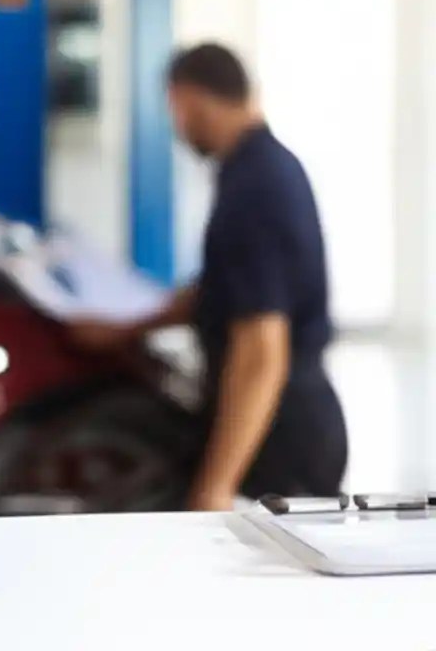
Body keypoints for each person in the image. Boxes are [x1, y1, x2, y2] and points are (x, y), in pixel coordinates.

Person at [70, 43, 347, 510]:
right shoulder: (255, 168)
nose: (178, 127)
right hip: (279, 422)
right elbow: (222, 292)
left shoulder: (257, 186)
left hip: (281, 438)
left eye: (174, 111)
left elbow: (261, 351)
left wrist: (214, 488)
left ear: (187, 99)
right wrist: (125, 330)